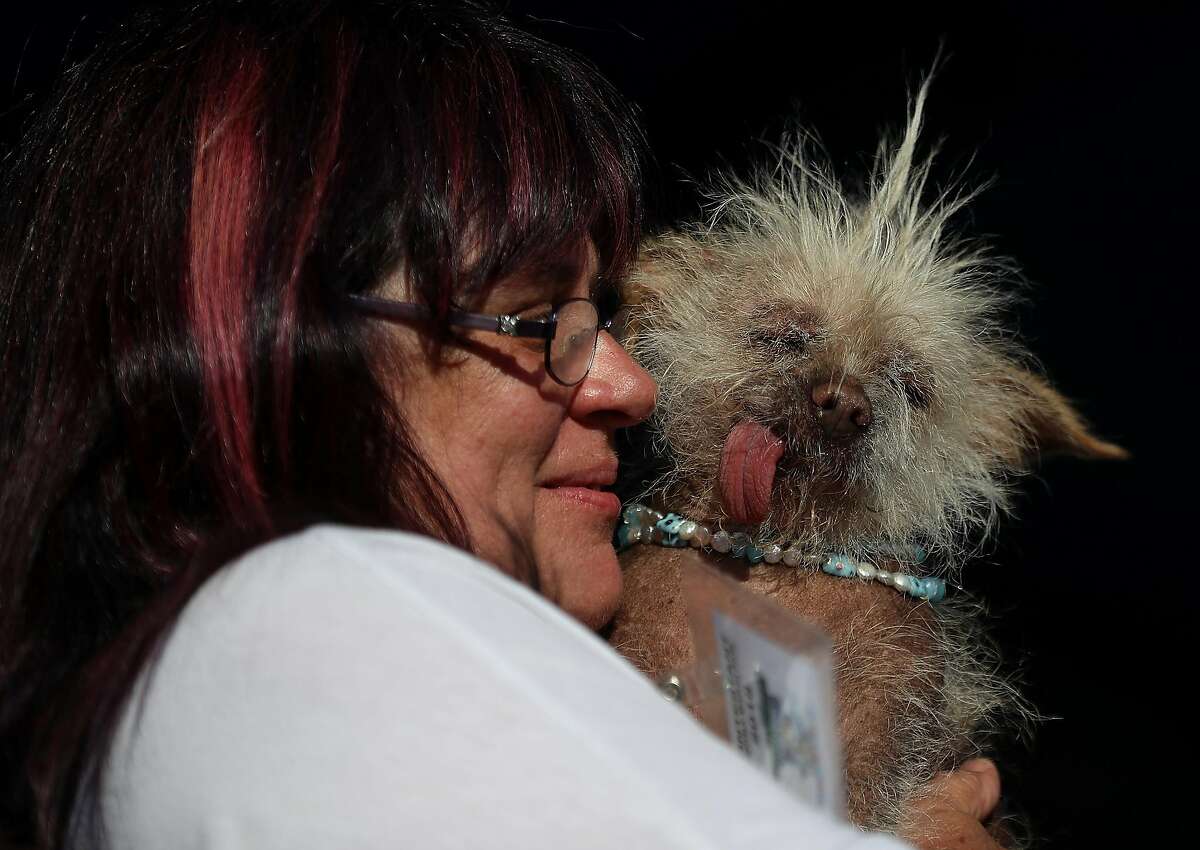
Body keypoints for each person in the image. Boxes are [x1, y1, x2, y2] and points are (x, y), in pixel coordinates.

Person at [0, 2, 1003, 848]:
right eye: (535, 323)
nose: (628, 384)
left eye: (601, 317)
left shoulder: (167, 697)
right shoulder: (314, 597)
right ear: (282, 338)